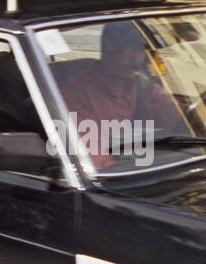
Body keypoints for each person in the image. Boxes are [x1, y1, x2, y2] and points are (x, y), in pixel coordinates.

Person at [64, 21, 184, 169]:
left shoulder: (143, 86)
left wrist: (202, 114)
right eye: (127, 49)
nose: (135, 59)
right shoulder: (76, 94)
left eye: (139, 51)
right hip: (123, 178)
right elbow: (97, 162)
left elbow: (176, 115)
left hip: (154, 166)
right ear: (107, 52)